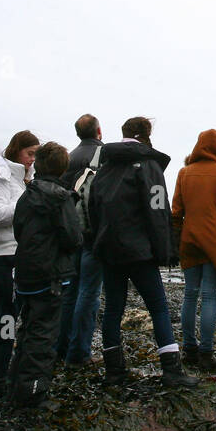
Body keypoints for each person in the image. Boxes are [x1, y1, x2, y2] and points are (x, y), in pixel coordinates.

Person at [90, 117, 197, 388]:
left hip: (109, 249)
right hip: (139, 251)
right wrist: (165, 251)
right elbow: (158, 210)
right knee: (158, 307)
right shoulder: (149, 165)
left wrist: (98, 242)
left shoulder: (105, 165)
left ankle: (114, 371)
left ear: (124, 133)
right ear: (147, 135)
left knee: (113, 308)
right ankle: (171, 370)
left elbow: (94, 207)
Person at [8, 142, 82, 405]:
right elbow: (73, 237)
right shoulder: (60, 198)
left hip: (26, 272)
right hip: (50, 275)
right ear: (64, 168)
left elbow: (18, 229)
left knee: (28, 328)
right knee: (44, 333)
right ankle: (33, 391)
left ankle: (16, 383)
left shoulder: (27, 195)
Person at [171, 129, 216, 374]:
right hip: (214, 241)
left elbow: (176, 211)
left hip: (189, 240)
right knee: (209, 296)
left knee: (190, 294)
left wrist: (176, 239)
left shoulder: (184, 173)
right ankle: (206, 352)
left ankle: (189, 348)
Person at [0, 130, 38, 389]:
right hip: (4, 255)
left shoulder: (23, 180)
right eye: (29, 153)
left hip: (21, 253)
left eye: (36, 155)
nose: (32, 160)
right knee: (5, 315)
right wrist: (29, 202)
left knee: (14, 313)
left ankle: (2, 365)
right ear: (16, 151)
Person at [60, 114, 104, 366]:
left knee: (70, 292)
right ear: (99, 130)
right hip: (92, 232)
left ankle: (62, 347)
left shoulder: (69, 158)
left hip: (70, 232)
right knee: (89, 293)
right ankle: (79, 353)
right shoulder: (102, 156)